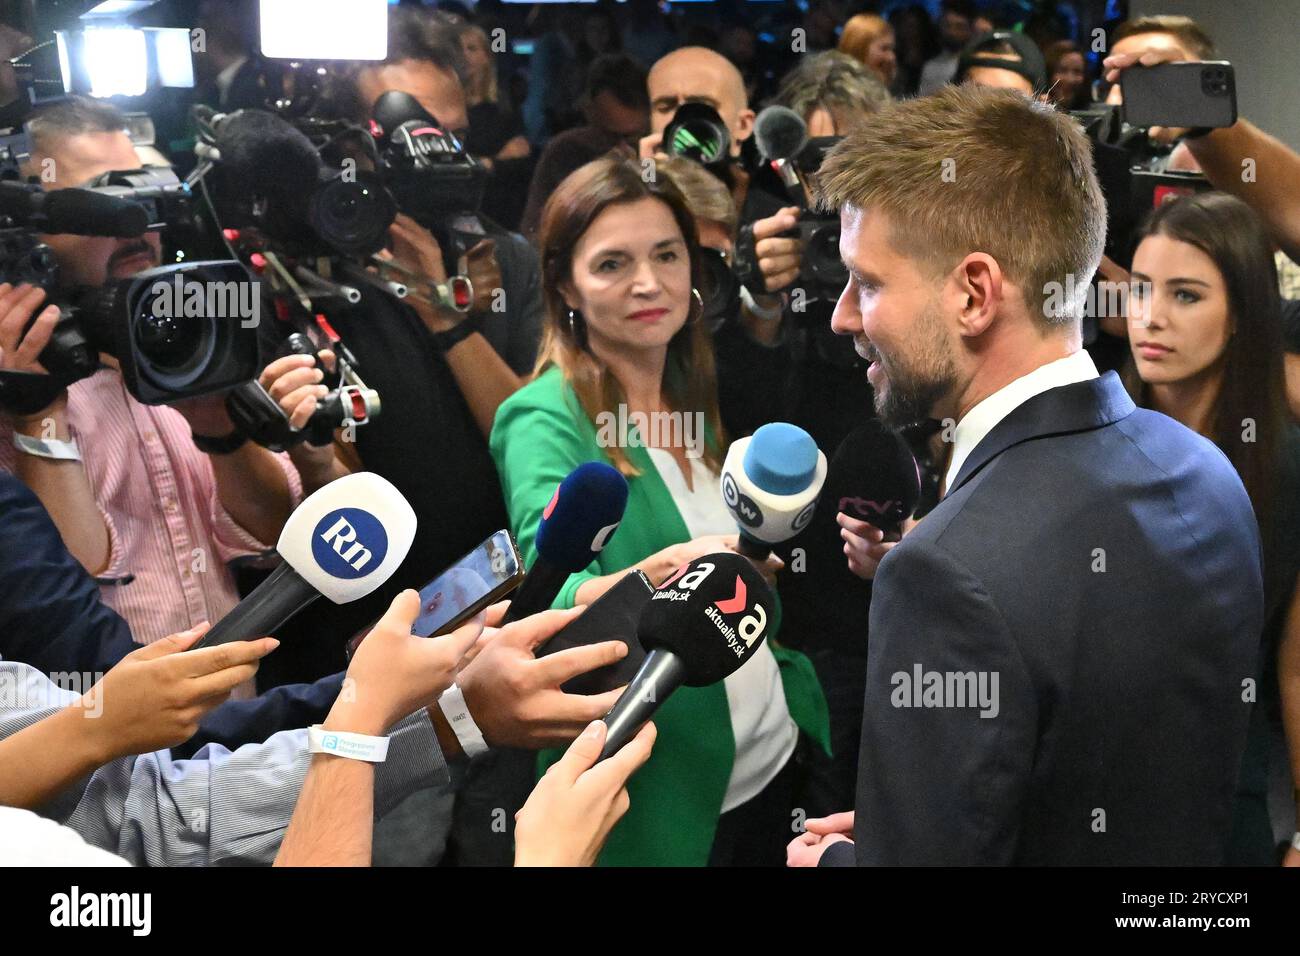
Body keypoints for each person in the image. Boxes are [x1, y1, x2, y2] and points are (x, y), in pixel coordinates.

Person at [790, 84, 1262, 866]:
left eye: (867, 283)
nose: (842, 314)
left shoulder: (942, 574)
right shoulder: (1204, 470)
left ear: (974, 293)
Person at [491, 155, 829, 866]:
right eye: (613, 264)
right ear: (563, 285)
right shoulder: (541, 415)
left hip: (770, 756)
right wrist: (667, 572)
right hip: (665, 790)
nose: (649, 283)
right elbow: (546, 596)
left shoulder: (688, 387)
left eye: (667, 255)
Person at [0, 97, 305, 674]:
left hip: (234, 730)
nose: (138, 227)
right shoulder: (16, 388)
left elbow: (273, 536)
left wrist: (219, 431)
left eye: (147, 200)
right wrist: (38, 417)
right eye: (107, 206)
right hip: (95, 736)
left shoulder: (194, 336)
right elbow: (68, 581)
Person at [1121, 192, 1300, 865]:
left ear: (1240, 318)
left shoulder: (1287, 472)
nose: (1151, 317)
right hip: (1082, 799)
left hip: (1225, 805)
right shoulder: (1083, 443)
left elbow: (1296, 671)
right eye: (1139, 291)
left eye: (1186, 296)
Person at [520, 54, 648, 240]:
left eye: (632, 138)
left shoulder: (661, 157)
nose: (622, 150)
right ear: (588, 110)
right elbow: (534, 231)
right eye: (610, 136)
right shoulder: (564, 152)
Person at [838, 13, 897, 90]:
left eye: (892, 49)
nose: (891, 57)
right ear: (858, 48)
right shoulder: (835, 97)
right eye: (884, 49)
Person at [1044, 39, 1090, 110]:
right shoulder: (1034, 109)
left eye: (1077, 71)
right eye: (1062, 70)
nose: (1070, 79)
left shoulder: (1093, 112)